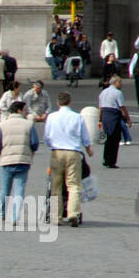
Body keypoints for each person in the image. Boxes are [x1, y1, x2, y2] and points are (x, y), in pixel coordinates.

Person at [43, 91, 93, 227]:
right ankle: (73, 213)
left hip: (56, 152)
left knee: (56, 186)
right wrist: (88, 149)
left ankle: (56, 216)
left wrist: (52, 145)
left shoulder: (52, 117)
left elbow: (47, 137)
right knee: (73, 185)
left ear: (58, 103)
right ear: (70, 102)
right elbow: (85, 137)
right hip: (73, 152)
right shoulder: (77, 117)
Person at [0, 99, 39, 225]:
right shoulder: (29, 125)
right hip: (23, 161)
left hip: (6, 160)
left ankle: (2, 213)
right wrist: (31, 152)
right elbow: (34, 143)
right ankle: (15, 217)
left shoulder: (2, 125)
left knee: (5, 189)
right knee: (19, 190)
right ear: (19, 110)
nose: (26, 112)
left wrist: (1, 153)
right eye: (25, 110)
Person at [98, 75, 132, 168]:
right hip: (114, 115)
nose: (121, 84)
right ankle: (111, 161)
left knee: (108, 138)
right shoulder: (118, 93)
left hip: (105, 115)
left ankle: (106, 159)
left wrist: (99, 119)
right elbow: (122, 107)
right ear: (114, 83)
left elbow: (100, 108)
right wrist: (128, 118)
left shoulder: (103, 92)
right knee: (115, 138)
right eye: (120, 82)